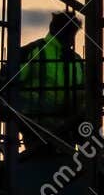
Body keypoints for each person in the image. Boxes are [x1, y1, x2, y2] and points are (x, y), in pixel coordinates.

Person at [11, 12, 88, 155]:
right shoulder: (34, 53)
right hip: (37, 130)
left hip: (66, 130)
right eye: (68, 33)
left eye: (72, 33)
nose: (70, 40)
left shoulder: (76, 60)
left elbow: (83, 95)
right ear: (54, 29)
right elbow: (7, 85)